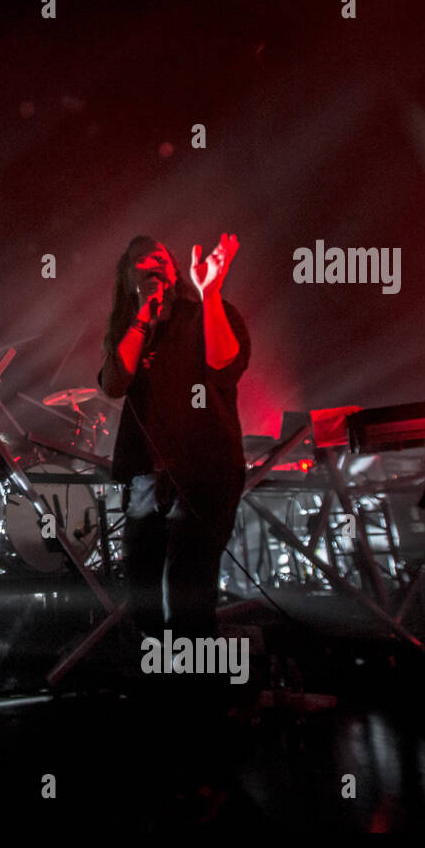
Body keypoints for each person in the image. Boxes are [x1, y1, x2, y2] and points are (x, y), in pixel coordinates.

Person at [98, 234, 248, 642]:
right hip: (146, 476)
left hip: (205, 473)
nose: (151, 264)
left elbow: (224, 364)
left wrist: (212, 293)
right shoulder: (130, 330)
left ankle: (198, 697)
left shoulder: (204, 312)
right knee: (143, 596)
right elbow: (115, 382)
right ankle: (162, 688)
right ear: (127, 279)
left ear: (174, 270)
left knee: (188, 595)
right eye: (140, 262)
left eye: (159, 257)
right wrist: (144, 313)